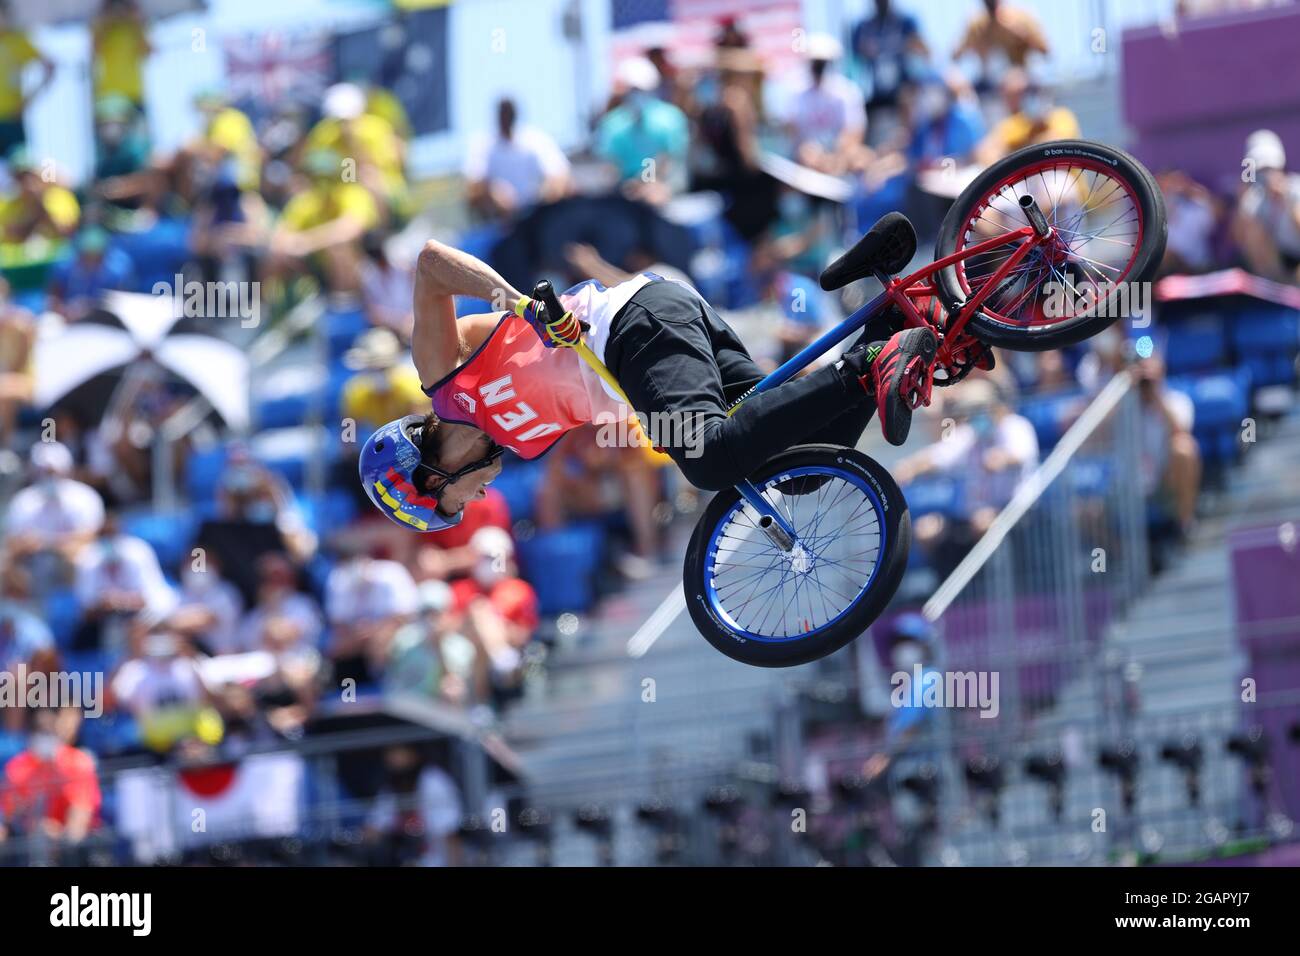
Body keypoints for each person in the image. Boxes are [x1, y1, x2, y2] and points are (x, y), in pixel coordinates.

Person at [355, 236, 935, 535]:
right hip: (657, 350)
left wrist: (523, 307)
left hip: (632, 325)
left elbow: (431, 264)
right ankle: (897, 312)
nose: (476, 500)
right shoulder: (521, 446)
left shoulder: (442, 378)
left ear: (431, 476)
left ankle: (866, 364)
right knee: (801, 470)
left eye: (456, 502)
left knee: (708, 460)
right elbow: (610, 407)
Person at [463, 98, 571, 221]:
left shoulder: (536, 140)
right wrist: (493, 194)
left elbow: (559, 175)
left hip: (536, 219)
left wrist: (543, 198)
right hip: (498, 224)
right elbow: (473, 187)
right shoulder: (482, 145)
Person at [1232, 130, 1300, 283]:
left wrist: (1287, 201)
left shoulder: (1296, 188)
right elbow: (1239, 239)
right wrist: (1241, 200)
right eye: (1262, 170)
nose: (1267, 174)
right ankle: (1275, 286)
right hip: (1279, 265)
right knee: (1253, 230)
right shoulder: (1255, 198)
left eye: (1270, 169)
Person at [0, 1, 54, 155]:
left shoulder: (17, 40)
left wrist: (29, 100)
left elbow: (50, 67)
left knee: (19, 168)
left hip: (12, 119)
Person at [90, 0, 151, 112]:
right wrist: (107, 23)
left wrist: (137, 24)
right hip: (109, 93)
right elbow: (94, 51)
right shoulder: (101, 28)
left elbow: (148, 51)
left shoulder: (134, 28)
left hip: (134, 92)